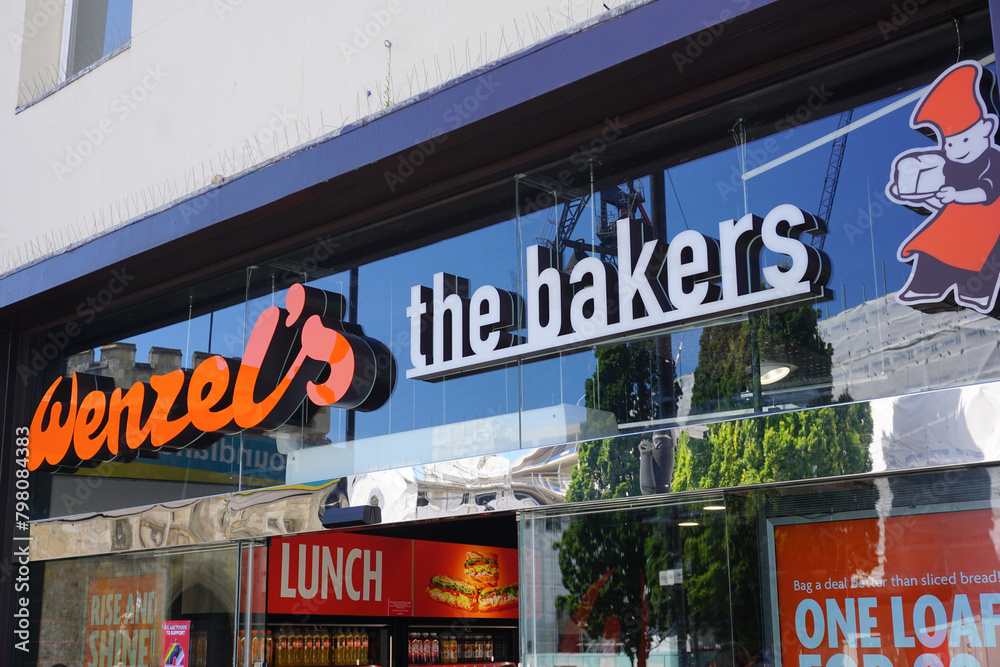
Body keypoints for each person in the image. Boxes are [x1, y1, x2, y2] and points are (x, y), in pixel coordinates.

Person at [887, 60, 1000, 314]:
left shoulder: (994, 158)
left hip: (989, 218)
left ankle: (978, 292)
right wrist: (914, 193)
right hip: (956, 218)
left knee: (980, 255)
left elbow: (987, 191)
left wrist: (956, 195)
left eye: (965, 139)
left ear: (988, 128)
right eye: (949, 144)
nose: (956, 150)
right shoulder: (949, 165)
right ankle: (925, 287)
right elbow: (940, 195)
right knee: (932, 246)